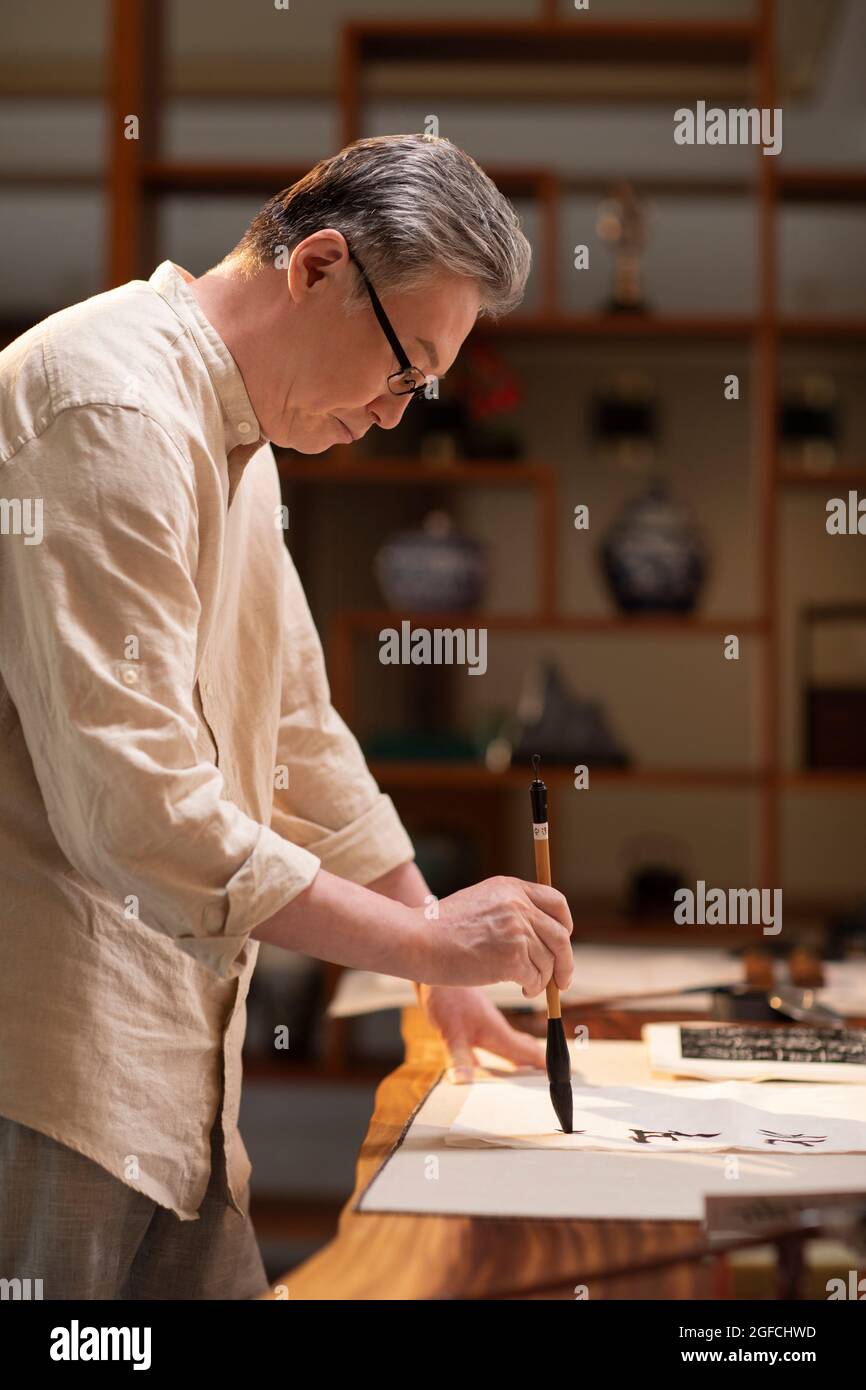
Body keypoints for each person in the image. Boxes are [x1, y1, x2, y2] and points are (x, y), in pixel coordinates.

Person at [0, 133, 573, 1300]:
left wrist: (437, 954)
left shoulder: (245, 439)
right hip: (47, 1070)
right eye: (402, 367)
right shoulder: (109, 405)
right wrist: (418, 941)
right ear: (317, 266)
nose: (399, 414)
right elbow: (138, 806)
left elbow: (297, 728)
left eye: (423, 388)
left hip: (176, 1073)